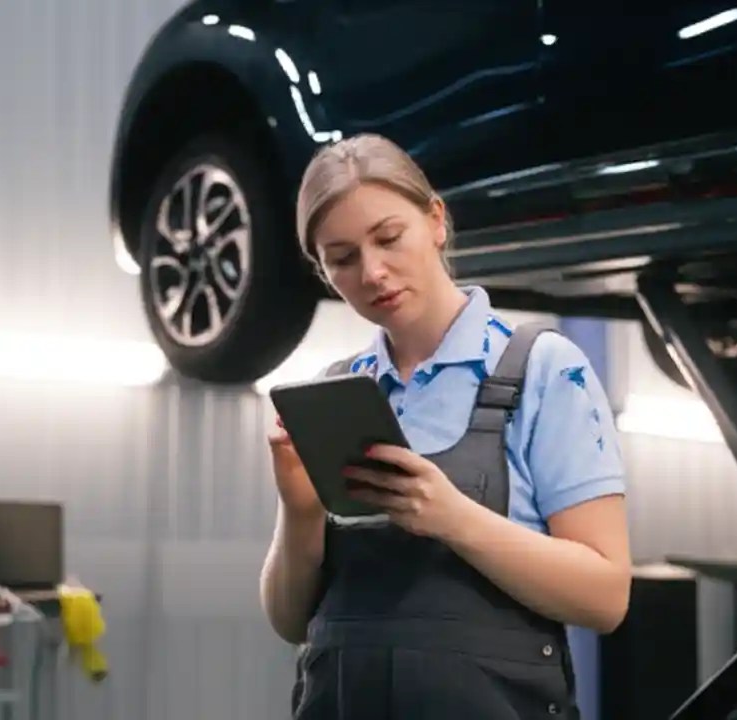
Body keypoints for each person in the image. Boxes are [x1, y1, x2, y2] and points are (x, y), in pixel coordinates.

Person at [258, 134, 632, 719]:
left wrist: (452, 518)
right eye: (343, 258)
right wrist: (299, 509)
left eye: (388, 238)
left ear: (436, 220)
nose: (373, 272)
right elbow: (289, 621)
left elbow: (607, 597)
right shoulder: (334, 394)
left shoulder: (543, 370)